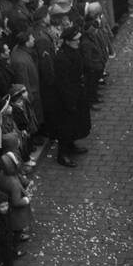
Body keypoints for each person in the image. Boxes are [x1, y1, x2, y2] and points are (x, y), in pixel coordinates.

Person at [54, 25, 90, 167]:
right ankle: (62, 154)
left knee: (75, 124)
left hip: (76, 93)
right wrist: (70, 101)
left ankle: (71, 145)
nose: (78, 42)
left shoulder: (73, 51)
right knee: (66, 127)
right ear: (68, 41)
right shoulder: (61, 58)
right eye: (75, 40)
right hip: (67, 98)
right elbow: (63, 83)